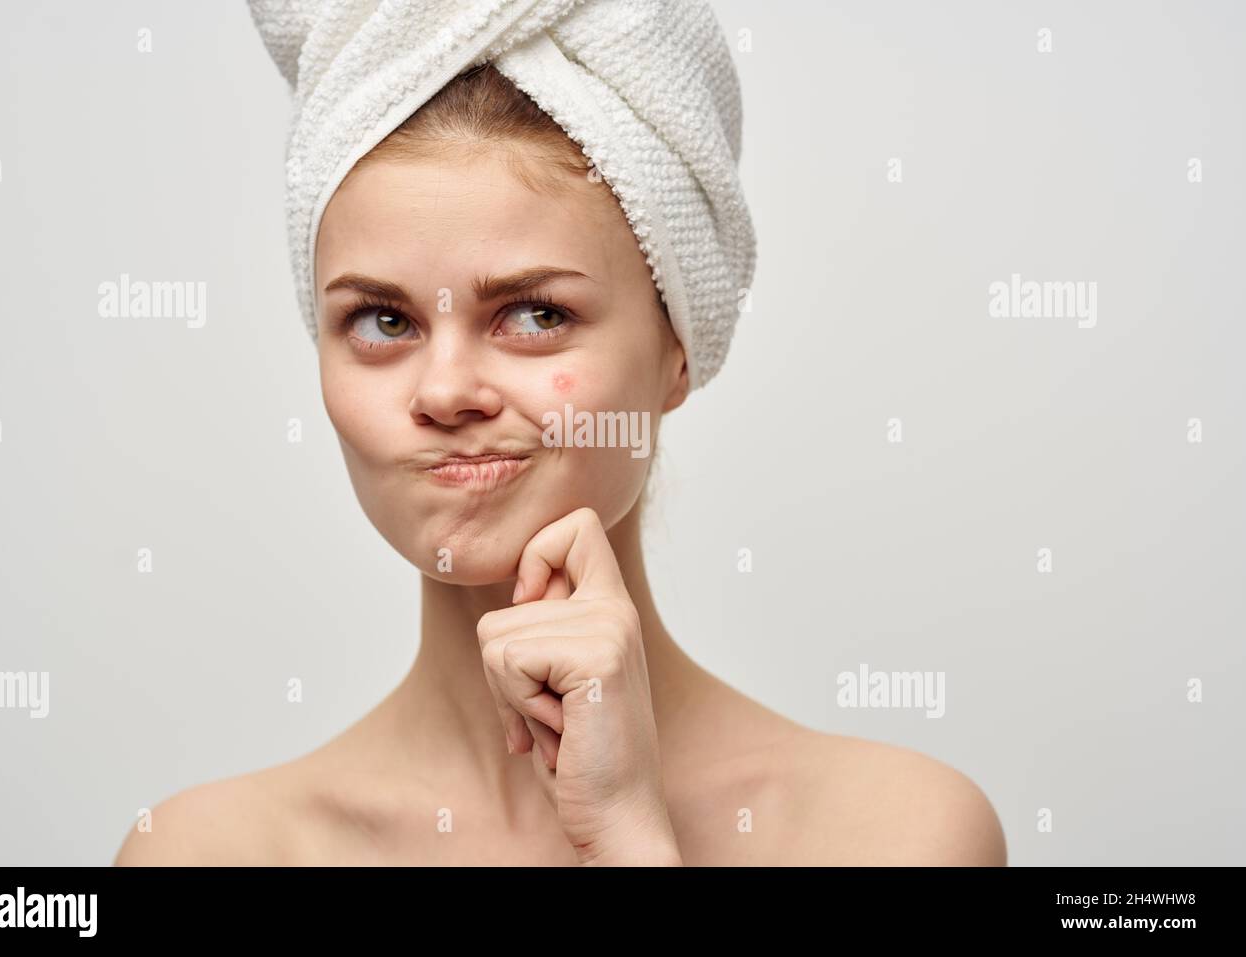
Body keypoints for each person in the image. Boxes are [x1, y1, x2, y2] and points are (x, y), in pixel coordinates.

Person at [115, 1, 1006, 867]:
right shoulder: (208, 853)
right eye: (383, 322)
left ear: (675, 350)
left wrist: (629, 841)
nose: (447, 390)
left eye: (535, 313)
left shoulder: (894, 837)